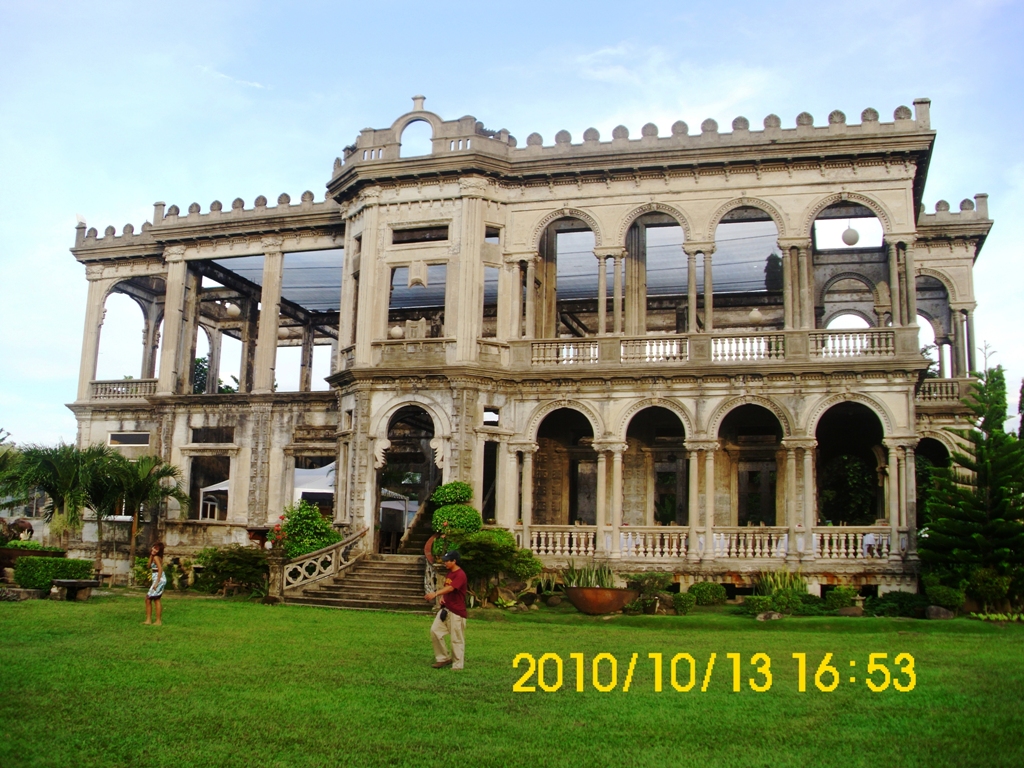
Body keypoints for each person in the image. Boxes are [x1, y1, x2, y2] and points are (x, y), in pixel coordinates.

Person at [425, 550, 467, 670]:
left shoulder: (460, 574)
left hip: (457, 611)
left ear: (454, 561)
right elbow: (447, 588)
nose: (445, 563)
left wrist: (436, 594)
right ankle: (443, 658)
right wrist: (443, 598)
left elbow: (451, 588)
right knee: (435, 631)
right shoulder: (450, 574)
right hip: (446, 609)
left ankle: (458, 665)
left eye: (447, 561)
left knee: (456, 639)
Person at [144, 541, 167, 625]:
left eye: (156, 549)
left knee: (149, 598)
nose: (154, 550)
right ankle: (150, 620)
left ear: (159, 551)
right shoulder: (154, 557)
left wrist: (157, 583)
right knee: (155, 599)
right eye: (153, 547)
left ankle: (156, 620)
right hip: (157, 578)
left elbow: (160, 569)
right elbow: (149, 566)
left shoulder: (156, 557)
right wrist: (151, 555)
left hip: (159, 579)